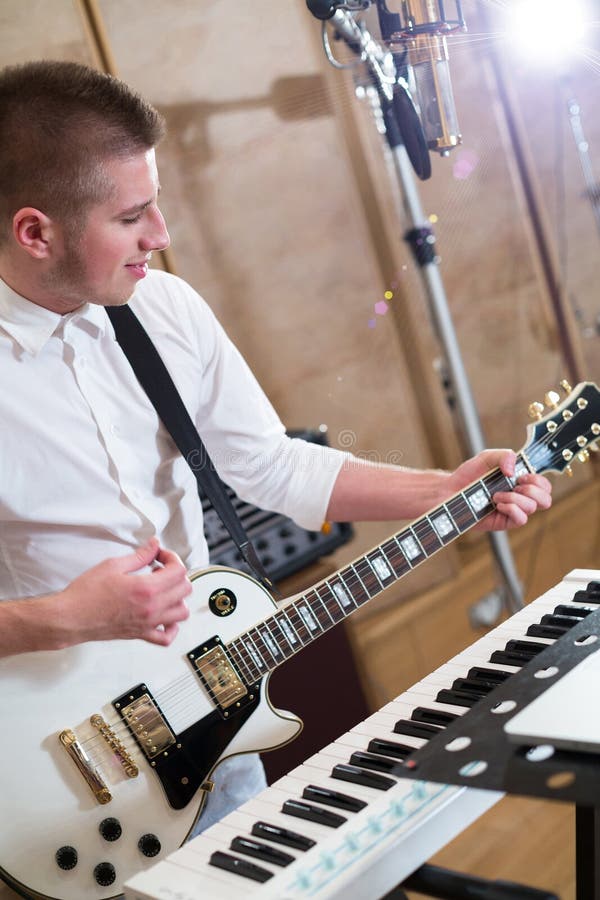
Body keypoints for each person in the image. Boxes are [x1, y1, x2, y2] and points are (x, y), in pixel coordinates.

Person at [0, 60, 551, 895]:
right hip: (50, 775)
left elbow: (269, 464)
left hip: (213, 715)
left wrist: (446, 494)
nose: (161, 232)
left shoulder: (162, 307)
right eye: (132, 214)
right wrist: (67, 616)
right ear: (35, 232)